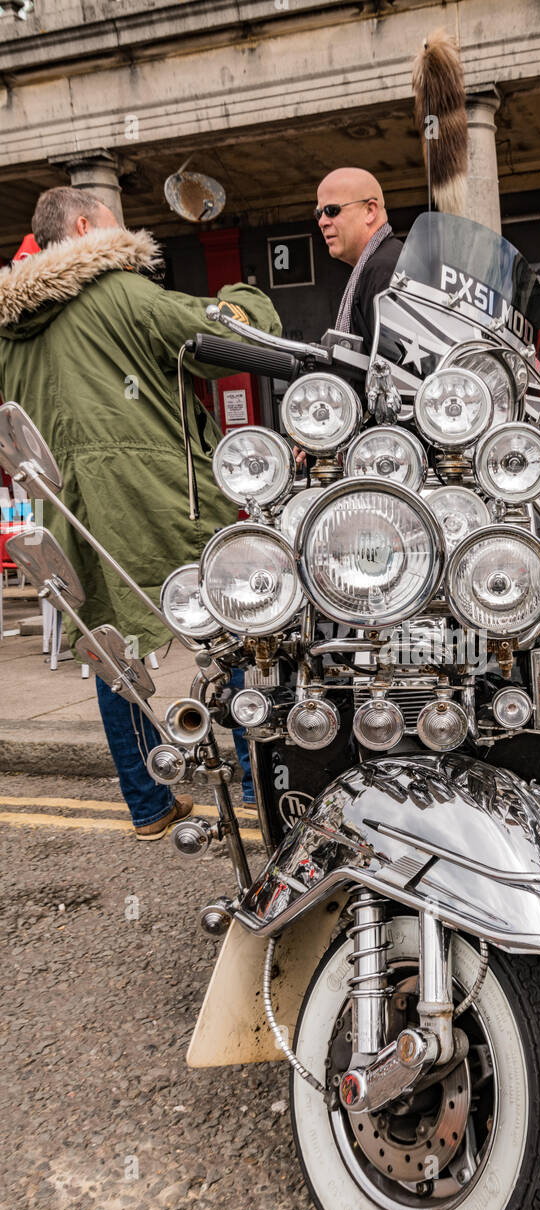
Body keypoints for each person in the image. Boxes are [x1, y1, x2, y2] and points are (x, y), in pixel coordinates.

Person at [0, 187, 282, 839]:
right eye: (114, 223)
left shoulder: (10, 332)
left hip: (70, 515)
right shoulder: (116, 293)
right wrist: (248, 296)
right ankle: (255, 785)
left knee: (108, 650)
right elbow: (220, 338)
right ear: (82, 226)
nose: (124, 236)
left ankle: (149, 805)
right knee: (237, 630)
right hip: (162, 499)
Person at [315, 168, 402, 354]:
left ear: (370, 211)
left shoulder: (384, 269)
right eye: (319, 213)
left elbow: (395, 368)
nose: (322, 222)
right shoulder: (381, 263)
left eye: (331, 210)